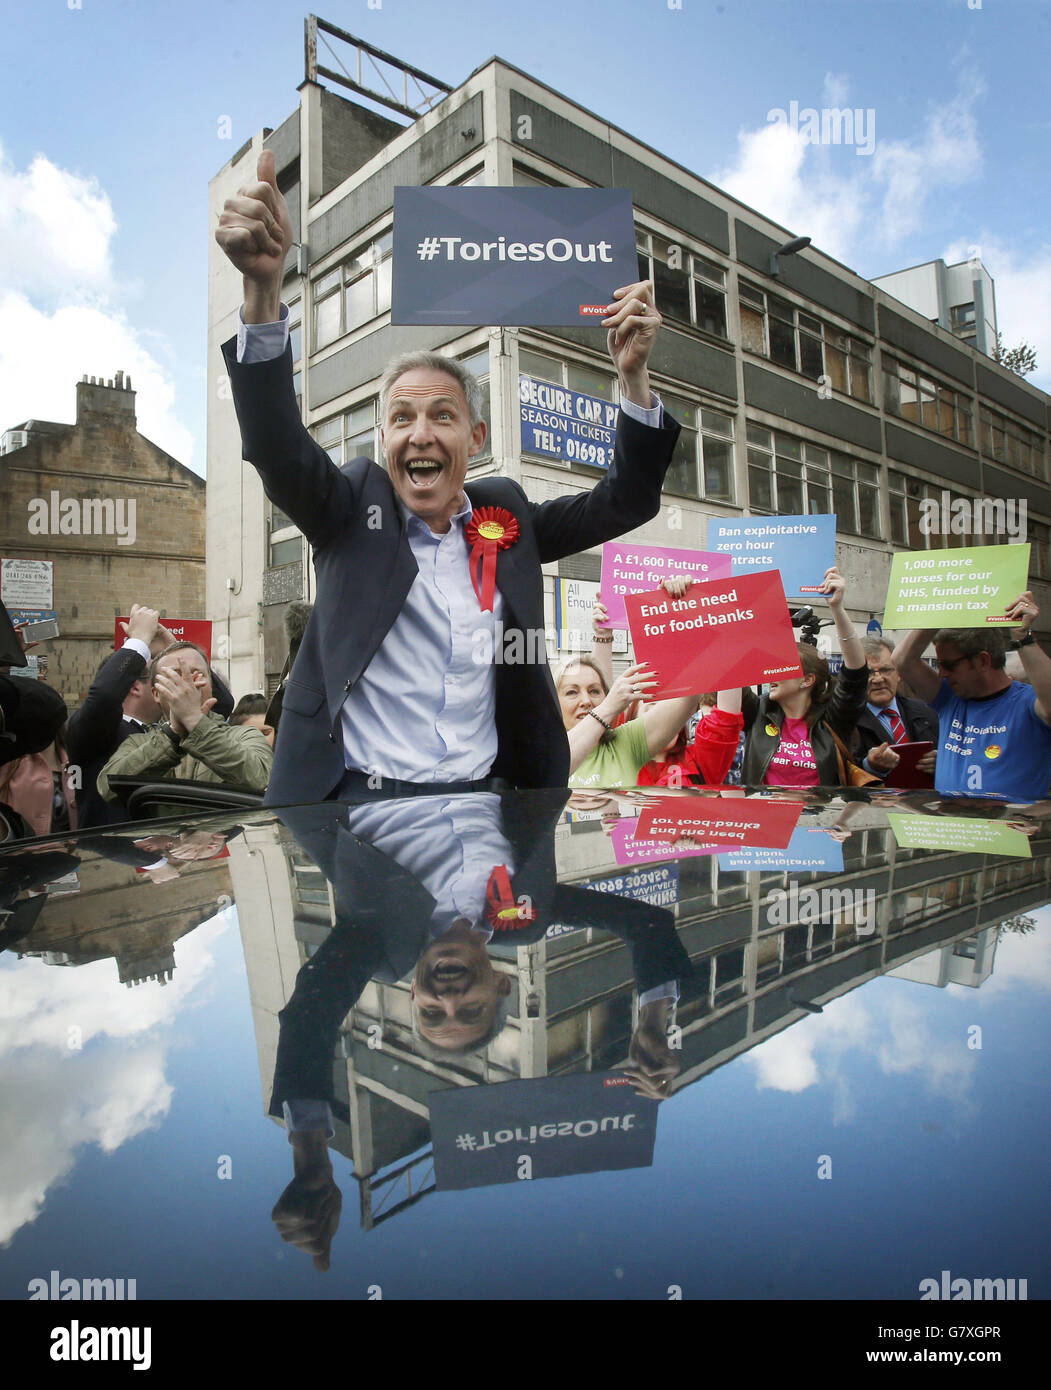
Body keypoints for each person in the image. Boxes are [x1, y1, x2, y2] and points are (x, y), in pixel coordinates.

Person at [216, 151, 680, 803]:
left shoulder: (508, 517)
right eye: (401, 417)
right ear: (383, 441)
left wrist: (631, 378)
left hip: (487, 808)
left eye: (442, 414)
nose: (421, 433)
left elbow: (625, 500)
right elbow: (273, 442)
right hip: (361, 812)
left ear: (476, 439)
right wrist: (264, 293)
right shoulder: (348, 508)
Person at [892, 592, 1051, 800]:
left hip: (1008, 829)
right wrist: (936, 612)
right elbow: (903, 661)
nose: (941, 674)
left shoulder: (1027, 703)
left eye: (949, 666)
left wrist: (1024, 637)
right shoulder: (949, 698)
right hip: (955, 830)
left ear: (983, 661)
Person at [740, 568, 873, 787]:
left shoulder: (833, 719)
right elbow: (728, 676)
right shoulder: (759, 712)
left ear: (807, 680)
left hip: (819, 818)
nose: (772, 675)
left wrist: (837, 608)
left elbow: (856, 674)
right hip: (768, 818)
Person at [97, 642, 272, 802]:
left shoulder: (243, 736)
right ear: (156, 693)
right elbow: (108, 788)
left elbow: (261, 779)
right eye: (175, 676)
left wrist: (195, 722)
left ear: (210, 686)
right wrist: (172, 735)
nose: (187, 684)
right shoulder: (138, 742)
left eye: (197, 674)